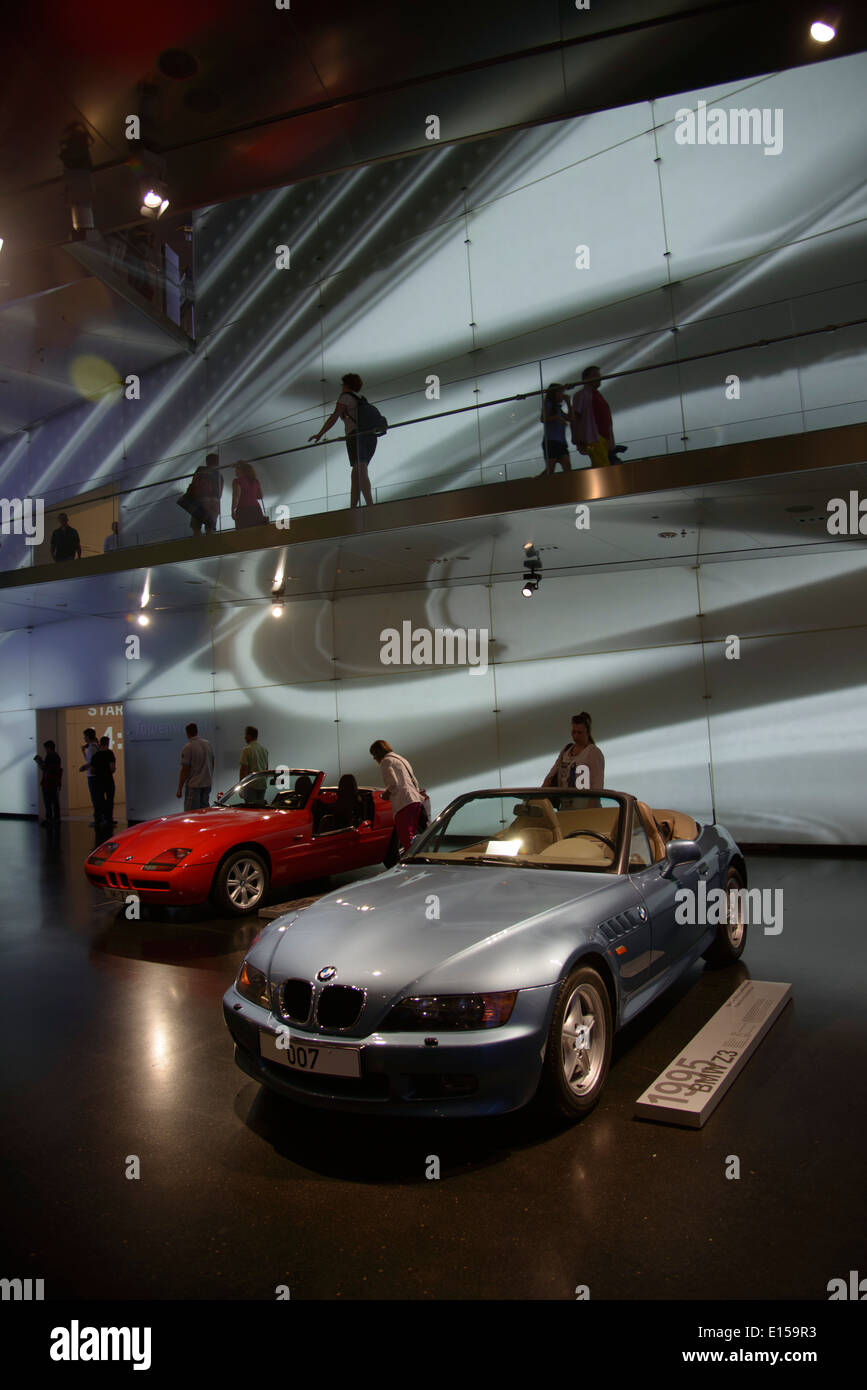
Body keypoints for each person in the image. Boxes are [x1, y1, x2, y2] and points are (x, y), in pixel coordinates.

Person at [309, 373, 374, 509]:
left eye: (342, 384)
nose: (341, 387)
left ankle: (369, 505)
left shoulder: (345, 397)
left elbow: (334, 416)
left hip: (355, 436)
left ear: (346, 385)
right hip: (369, 436)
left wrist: (320, 433)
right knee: (357, 470)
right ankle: (354, 506)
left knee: (360, 469)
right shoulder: (361, 398)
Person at [370, 739, 425, 850]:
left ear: (378, 753)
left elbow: (393, 784)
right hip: (415, 801)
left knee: (406, 838)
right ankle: (418, 858)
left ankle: (411, 864)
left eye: (374, 754)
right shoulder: (401, 759)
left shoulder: (386, 761)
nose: (374, 758)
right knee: (413, 837)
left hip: (403, 803)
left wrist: (384, 795)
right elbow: (414, 781)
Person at [543, 712, 605, 793]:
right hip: (565, 802)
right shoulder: (567, 750)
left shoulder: (593, 752)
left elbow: (597, 784)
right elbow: (551, 776)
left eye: (580, 733)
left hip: (585, 803)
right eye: (573, 732)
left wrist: (592, 804)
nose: (576, 736)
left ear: (587, 732)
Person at [571, 366, 615, 468]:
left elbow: (607, 417)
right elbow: (575, 418)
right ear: (586, 379)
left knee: (603, 466)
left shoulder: (597, 395)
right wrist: (577, 439)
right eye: (595, 375)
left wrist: (610, 438)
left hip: (603, 438)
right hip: (594, 438)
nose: (599, 378)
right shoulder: (581, 395)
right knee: (603, 467)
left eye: (598, 375)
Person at [177, 722, 215, 810]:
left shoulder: (188, 747)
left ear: (187, 733)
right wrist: (209, 775)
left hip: (194, 785)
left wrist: (179, 788)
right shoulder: (208, 744)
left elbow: (185, 770)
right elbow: (212, 762)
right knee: (205, 812)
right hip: (207, 784)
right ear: (197, 731)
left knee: (192, 813)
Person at [539, 383, 572, 475]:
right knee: (551, 468)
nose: (562, 395)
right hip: (551, 441)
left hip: (560, 442)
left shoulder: (558, 408)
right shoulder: (548, 404)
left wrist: (569, 403)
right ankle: (538, 484)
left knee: (567, 465)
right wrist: (558, 418)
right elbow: (543, 418)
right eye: (560, 392)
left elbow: (571, 418)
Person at [187, 453, 223, 535]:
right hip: (215, 503)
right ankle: (210, 545)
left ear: (207, 461)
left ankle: (198, 546)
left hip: (201, 500)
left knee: (196, 527)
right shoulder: (220, 476)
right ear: (217, 462)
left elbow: (194, 483)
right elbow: (220, 494)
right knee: (209, 528)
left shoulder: (200, 470)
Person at [90, 735, 117, 830]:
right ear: (108, 743)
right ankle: (108, 819)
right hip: (108, 780)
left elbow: (92, 770)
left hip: (98, 781)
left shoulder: (95, 756)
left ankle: (100, 819)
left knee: (100, 801)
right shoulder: (110, 754)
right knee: (109, 800)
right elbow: (112, 768)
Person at [34, 741, 63, 825]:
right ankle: (57, 818)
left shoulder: (49, 756)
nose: (45, 750)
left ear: (49, 748)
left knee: (47, 802)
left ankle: (49, 819)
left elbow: (45, 768)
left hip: (47, 782)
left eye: (46, 748)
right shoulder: (57, 757)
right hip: (55, 782)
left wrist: (39, 762)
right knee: (55, 801)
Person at [231, 462, 266, 529]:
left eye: (237, 469)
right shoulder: (255, 481)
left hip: (243, 510)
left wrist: (232, 510)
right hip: (256, 509)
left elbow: (236, 496)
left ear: (242, 471)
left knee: (243, 534)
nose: (235, 471)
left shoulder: (237, 481)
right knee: (257, 532)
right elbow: (260, 496)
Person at [79, 727, 100, 825]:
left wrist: (83, 767)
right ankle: (99, 818)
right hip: (94, 775)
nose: (84, 738)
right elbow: (90, 760)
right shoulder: (95, 746)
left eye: (84, 736)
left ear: (88, 737)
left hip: (92, 775)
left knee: (95, 797)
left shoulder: (92, 748)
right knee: (97, 797)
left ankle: (97, 818)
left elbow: (90, 762)